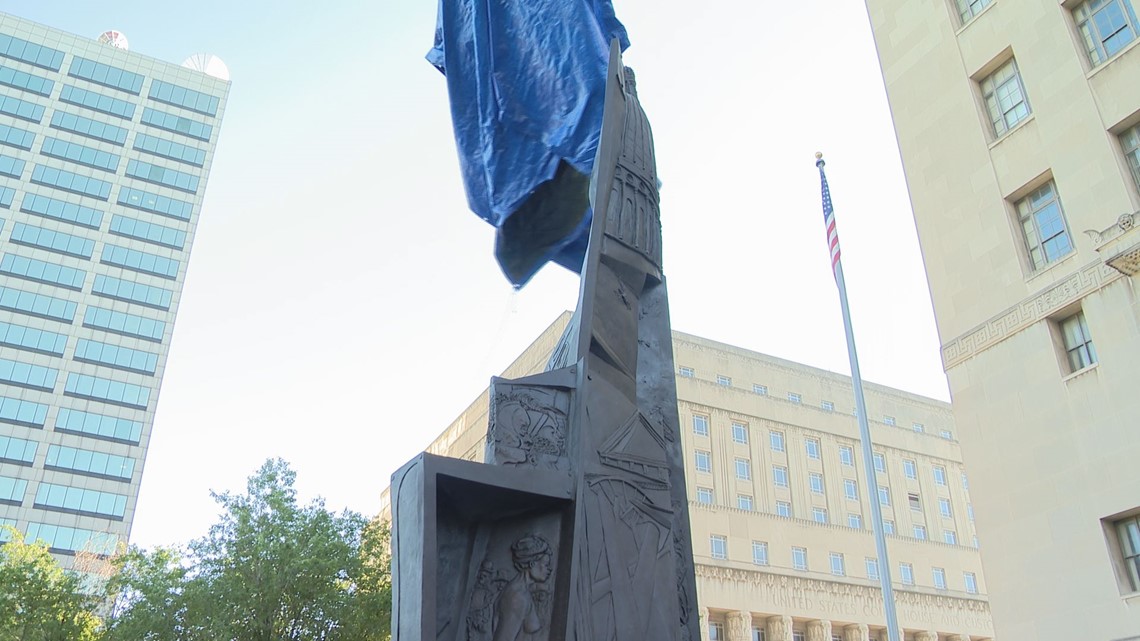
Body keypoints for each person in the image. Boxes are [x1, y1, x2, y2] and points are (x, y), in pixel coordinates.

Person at [493, 534, 553, 641]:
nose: (550, 569)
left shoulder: (522, 592)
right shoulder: (517, 597)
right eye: (546, 564)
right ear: (532, 564)